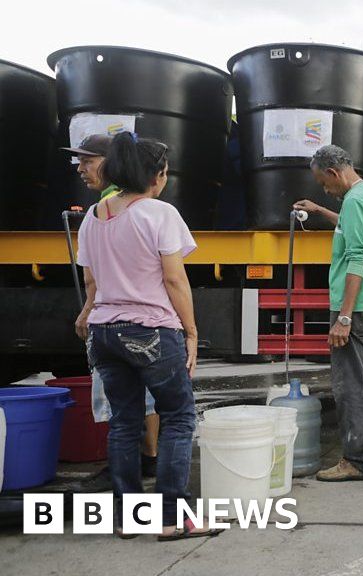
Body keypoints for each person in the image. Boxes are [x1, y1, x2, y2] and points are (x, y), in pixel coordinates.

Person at [75, 131, 217, 540]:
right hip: (150, 330)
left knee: (124, 422)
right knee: (177, 417)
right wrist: (190, 331)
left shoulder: (93, 215)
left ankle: (127, 517)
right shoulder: (158, 213)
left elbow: (91, 280)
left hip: (103, 330)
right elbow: (174, 279)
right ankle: (174, 518)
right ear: (157, 175)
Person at [64, 134, 160, 490]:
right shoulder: (143, 202)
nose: (81, 169)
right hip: (146, 321)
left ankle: (126, 470)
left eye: (87, 161)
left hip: (112, 317)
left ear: (110, 160)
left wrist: (88, 310)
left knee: (118, 404)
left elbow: (93, 275)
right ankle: (149, 459)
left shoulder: (105, 206)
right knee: (147, 394)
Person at [293, 145, 363, 482]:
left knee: (350, 388)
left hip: (356, 308)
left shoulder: (355, 201)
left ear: (334, 173)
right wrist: (321, 210)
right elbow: (354, 227)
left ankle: (357, 460)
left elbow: (357, 257)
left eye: (324, 184)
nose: (325, 189)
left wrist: (344, 317)